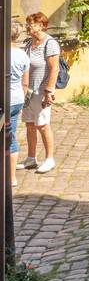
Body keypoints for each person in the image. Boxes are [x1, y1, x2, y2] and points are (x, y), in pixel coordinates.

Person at [22, 12, 60, 174]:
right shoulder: (30, 43)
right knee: (30, 124)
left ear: (41, 25)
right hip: (29, 91)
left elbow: (54, 68)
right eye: (27, 23)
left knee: (43, 125)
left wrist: (48, 91)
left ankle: (49, 158)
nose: (27, 26)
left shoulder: (49, 43)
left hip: (41, 91)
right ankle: (31, 158)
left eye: (30, 23)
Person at [6, 20, 29, 190]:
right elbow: (25, 83)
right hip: (17, 99)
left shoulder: (4, 54)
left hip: (4, 100)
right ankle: (11, 177)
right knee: (11, 136)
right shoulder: (23, 55)